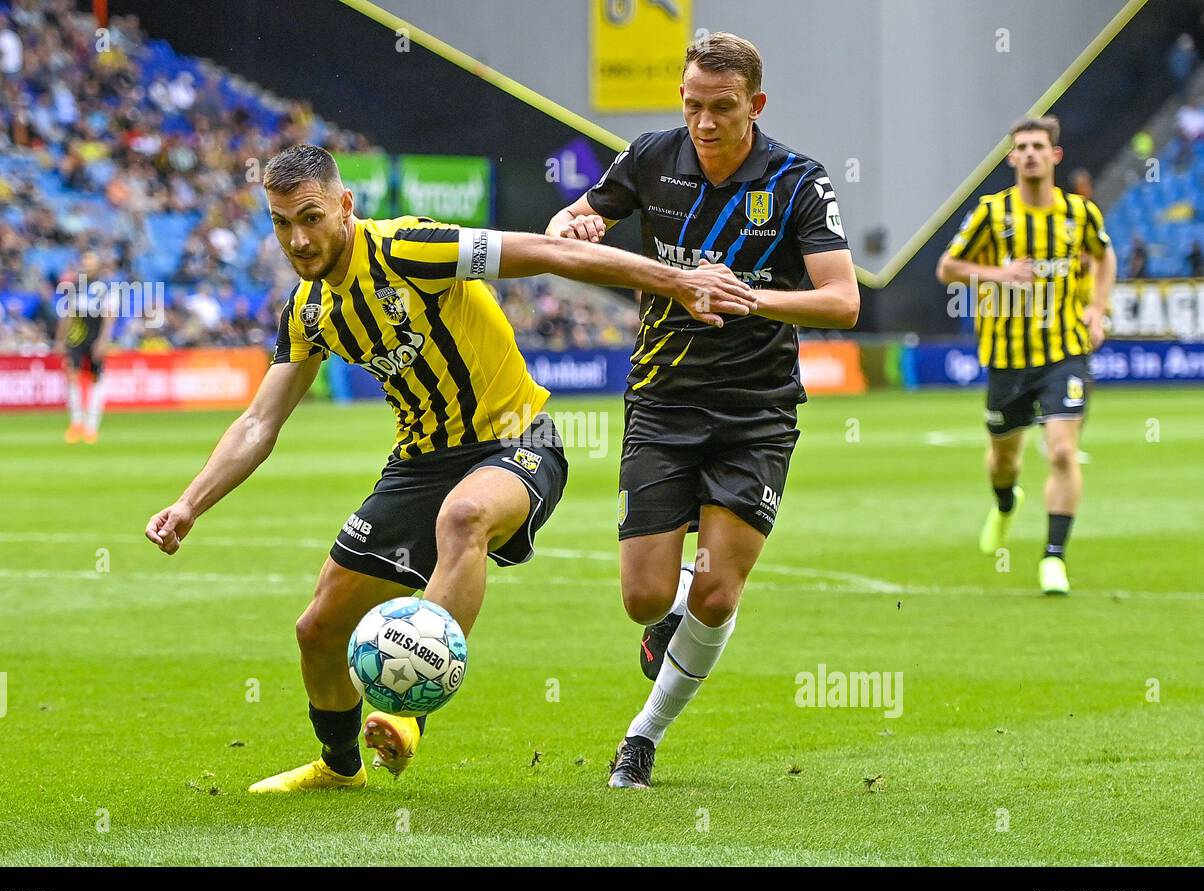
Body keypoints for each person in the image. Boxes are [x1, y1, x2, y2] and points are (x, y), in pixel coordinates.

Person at [144, 144, 756, 792]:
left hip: (517, 440)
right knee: (318, 630)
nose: (298, 239)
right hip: (418, 465)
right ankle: (340, 767)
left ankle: (408, 718)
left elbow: (548, 253)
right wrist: (189, 504)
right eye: (282, 222)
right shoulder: (309, 312)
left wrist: (676, 281)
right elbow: (257, 423)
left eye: (311, 217)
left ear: (345, 206)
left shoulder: (410, 248)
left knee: (464, 516)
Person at [546, 32, 859, 789]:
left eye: (722, 108)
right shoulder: (651, 157)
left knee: (717, 593)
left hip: (756, 413)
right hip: (663, 401)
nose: (705, 123)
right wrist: (572, 226)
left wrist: (748, 298)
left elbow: (842, 301)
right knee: (644, 597)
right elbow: (566, 231)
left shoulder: (797, 181)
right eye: (693, 106)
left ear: (756, 104)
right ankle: (674, 605)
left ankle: (642, 736)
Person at [937, 115, 1116, 596]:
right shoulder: (992, 213)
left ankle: (1054, 557)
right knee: (1004, 460)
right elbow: (947, 268)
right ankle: (1004, 503)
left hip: (1065, 351)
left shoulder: (1079, 213)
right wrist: (999, 274)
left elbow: (1104, 256)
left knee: (1062, 450)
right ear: (1012, 158)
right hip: (1007, 357)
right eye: (1023, 147)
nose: (1031, 154)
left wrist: (1098, 309)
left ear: (1055, 155)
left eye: (1039, 146)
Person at [54, 252, 115, 444]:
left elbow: (109, 316)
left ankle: (91, 426)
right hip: (77, 335)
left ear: (98, 266)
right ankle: (76, 423)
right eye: (85, 263)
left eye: (91, 263)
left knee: (96, 379)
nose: (87, 267)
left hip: (95, 335)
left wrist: (103, 340)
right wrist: (60, 340)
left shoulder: (105, 288)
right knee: (72, 375)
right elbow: (67, 315)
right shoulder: (75, 288)